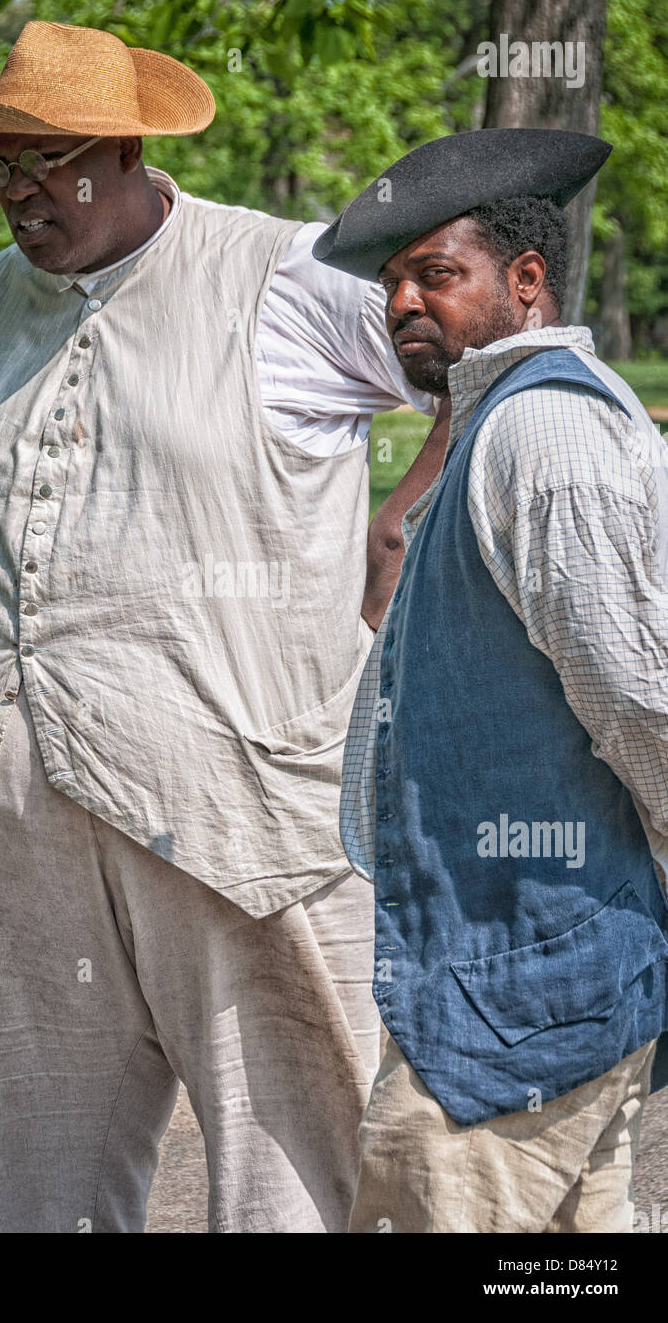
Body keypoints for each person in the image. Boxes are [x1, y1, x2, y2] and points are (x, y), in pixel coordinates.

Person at [0, 20, 448, 1233]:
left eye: (48, 161)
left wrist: (395, 537)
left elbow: (479, 368)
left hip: (240, 800)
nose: (20, 193)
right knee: (25, 1178)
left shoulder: (288, 276)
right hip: (5, 803)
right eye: (0, 167)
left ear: (124, 147)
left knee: (298, 1168)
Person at [314, 127, 668, 1233]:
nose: (404, 303)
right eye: (392, 282)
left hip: (518, 987)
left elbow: (633, 692)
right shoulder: (496, 423)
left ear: (524, 282)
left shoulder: (543, 432)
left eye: (435, 273)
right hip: (514, 969)